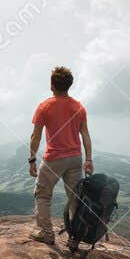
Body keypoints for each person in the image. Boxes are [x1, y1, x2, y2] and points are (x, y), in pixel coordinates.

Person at [27, 66, 93, 246]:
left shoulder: (44, 106)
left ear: (52, 85)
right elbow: (85, 134)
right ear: (69, 85)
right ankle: (75, 238)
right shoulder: (79, 107)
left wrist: (32, 159)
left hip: (54, 158)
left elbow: (36, 136)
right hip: (75, 158)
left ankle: (47, 234)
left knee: (42, 195)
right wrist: (88, 159)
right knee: (75, 198)